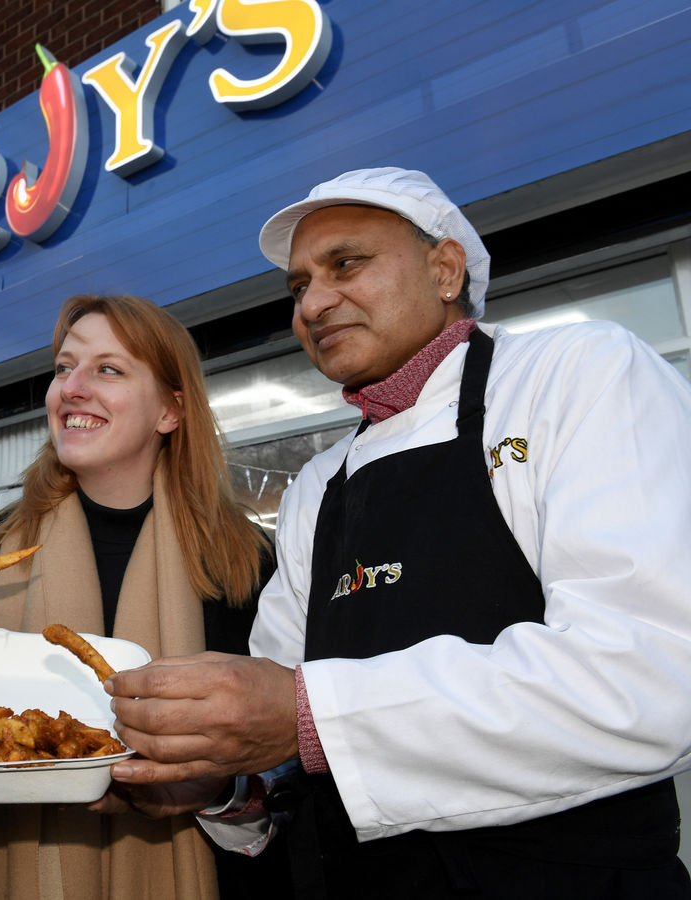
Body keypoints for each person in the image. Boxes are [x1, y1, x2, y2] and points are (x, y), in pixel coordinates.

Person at [104, 167, 691, 898]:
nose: (313, 302)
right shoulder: (320, 485)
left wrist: (308, 714)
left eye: (345, 264)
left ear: (445, 269)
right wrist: (218, 788)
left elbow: (648, 675)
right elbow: (281, 746)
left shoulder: (575, 375)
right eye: (297, 286)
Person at [0, 294, 282, 899]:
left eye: (108, 369)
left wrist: (217, 791)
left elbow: (275, 788)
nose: (71, 387)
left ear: (171, 411)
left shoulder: (247, 562)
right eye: (64, 367)